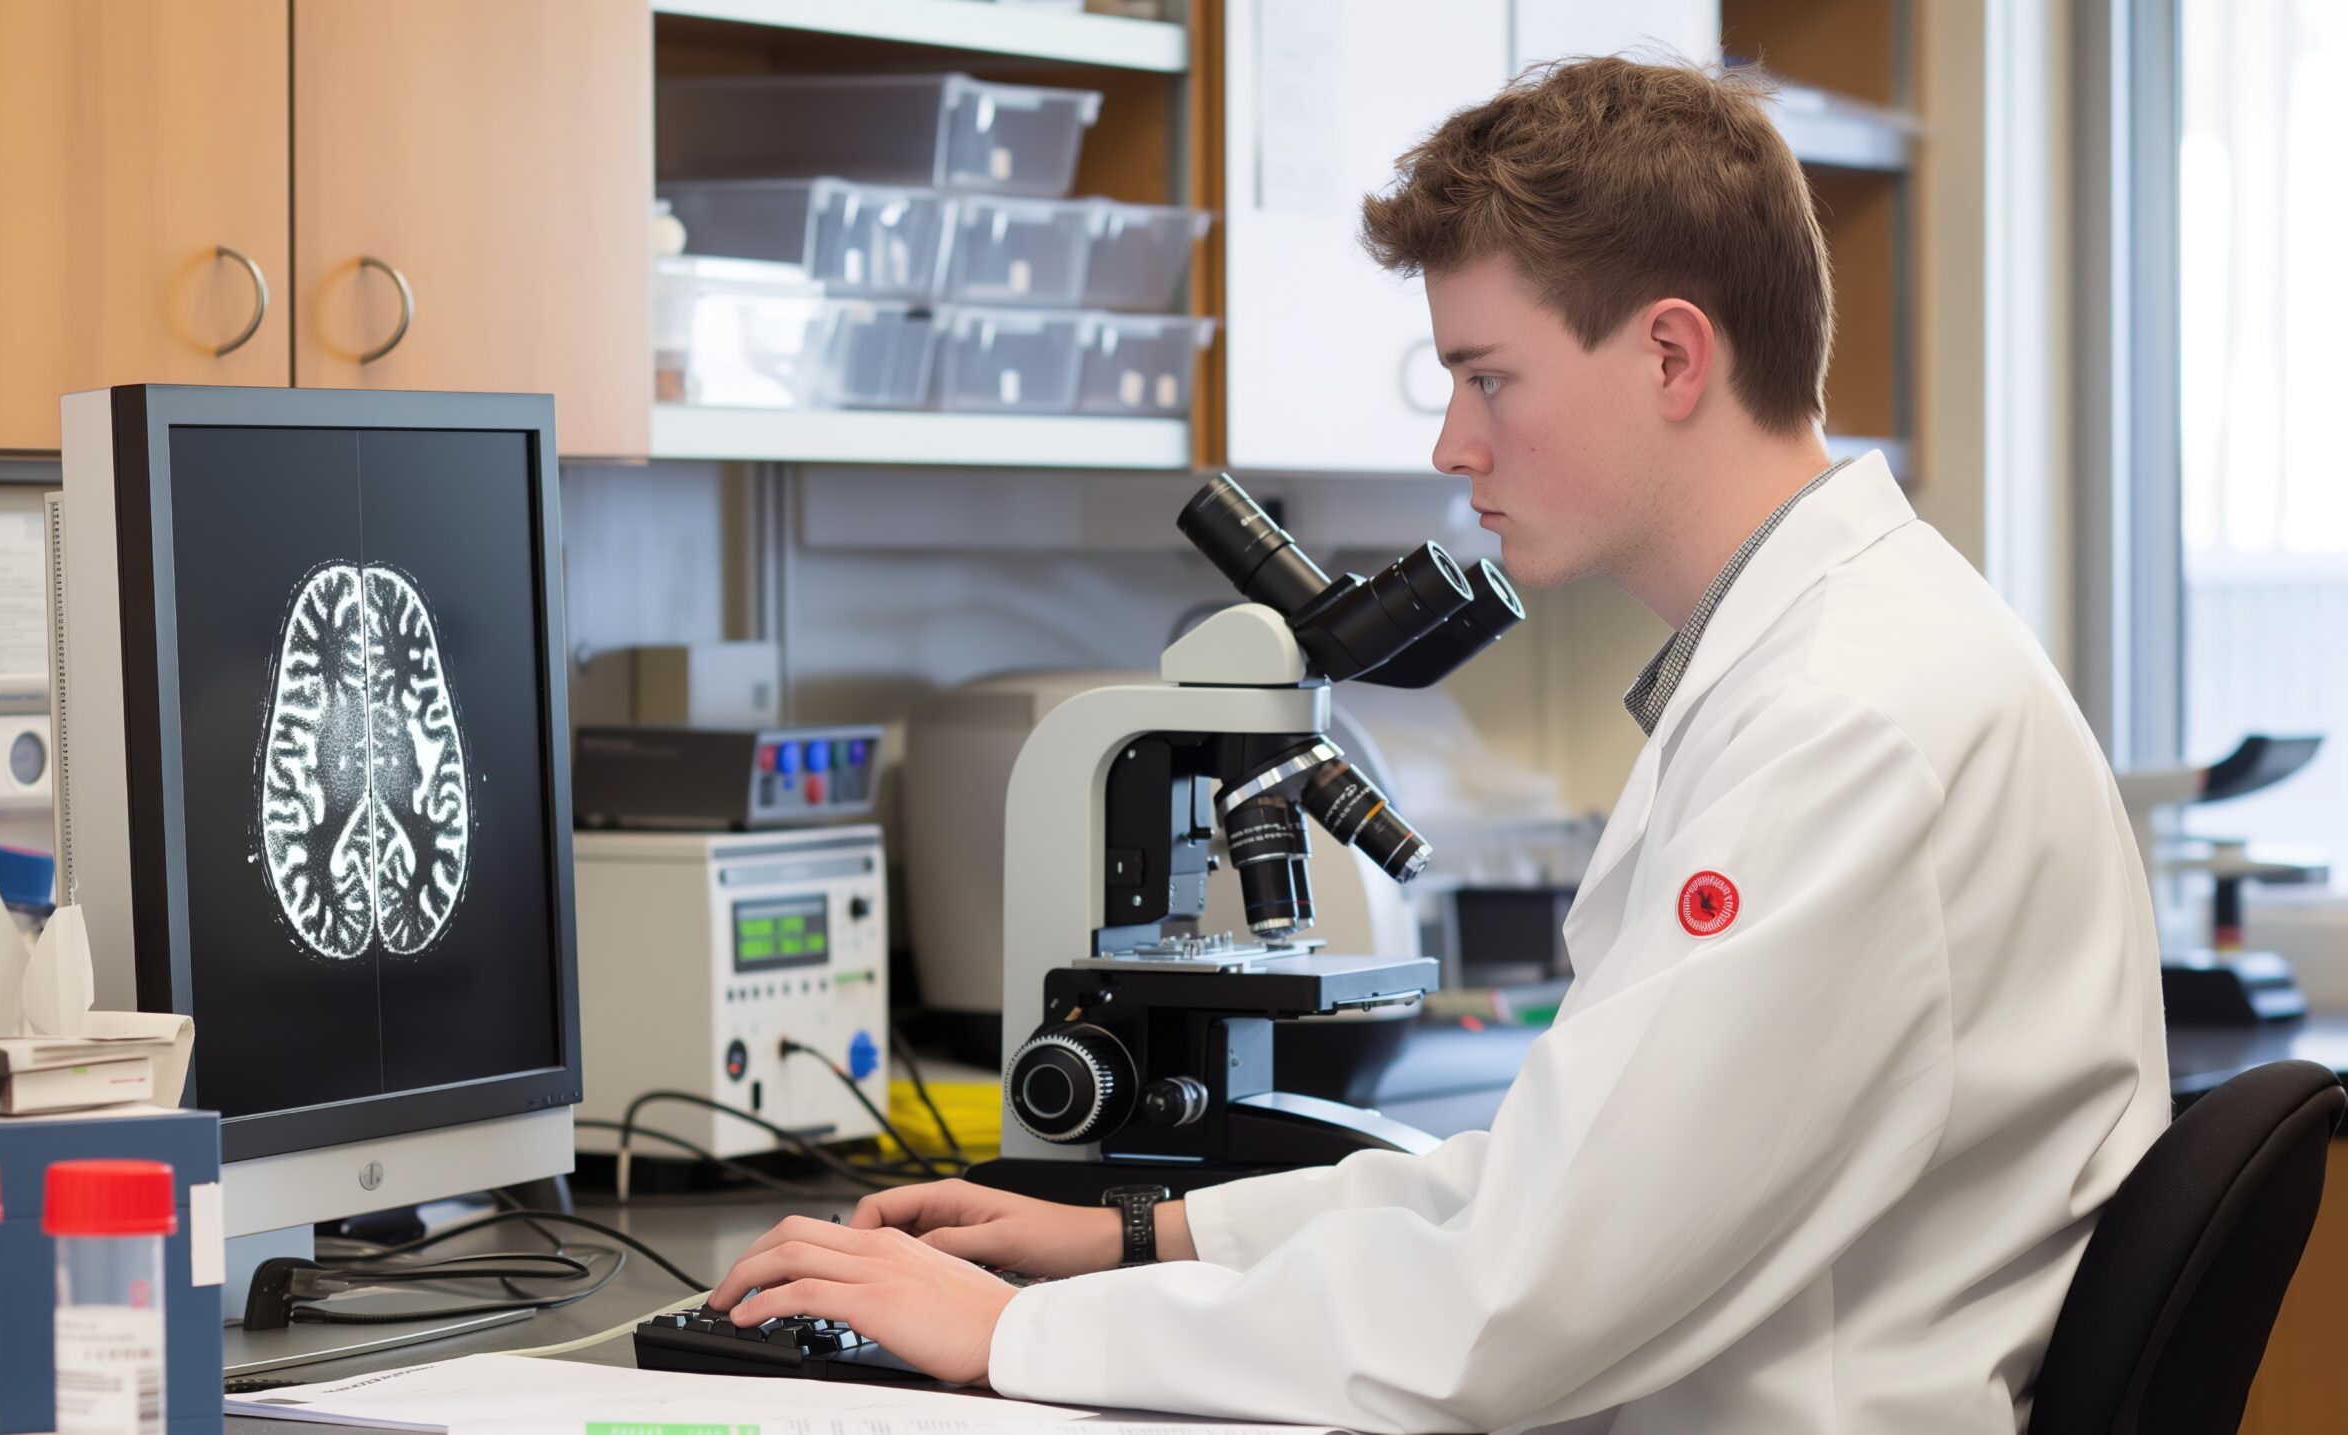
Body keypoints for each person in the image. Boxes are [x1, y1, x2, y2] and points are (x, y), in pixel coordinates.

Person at [706, 56, 2169, 1434]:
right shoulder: (1835, 653)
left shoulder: (1843, 722)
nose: (1452, 445)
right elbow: (1561, 1186)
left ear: (1671, 355)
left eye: (1488, 378)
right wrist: (1139, 1235)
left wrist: (1013, 1336)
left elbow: (1518, 1304)